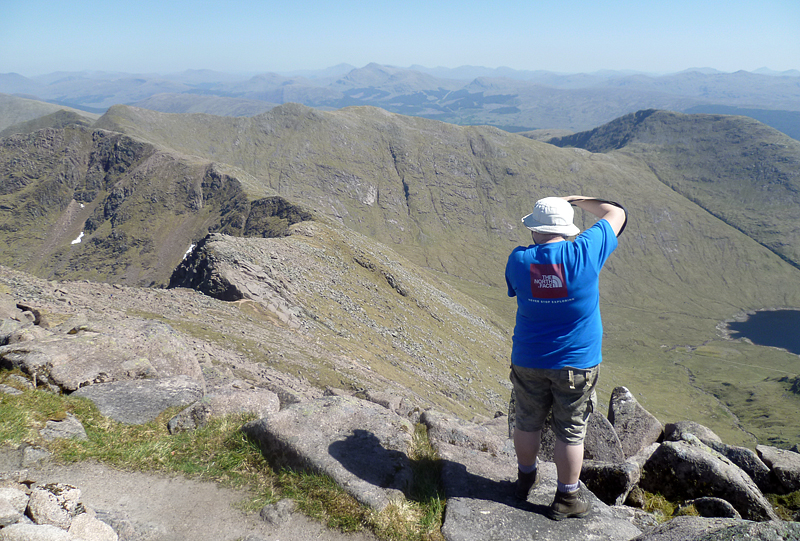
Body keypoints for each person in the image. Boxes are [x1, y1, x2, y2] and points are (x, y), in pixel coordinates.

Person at [504, 195, 627, 520]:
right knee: (571, 430)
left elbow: (518, 290)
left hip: (529, 358)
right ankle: (566, 498)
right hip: (577, 362)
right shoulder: (585, 252)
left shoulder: (518, 261)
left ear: (535, 229)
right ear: (566, 228)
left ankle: (524, 479)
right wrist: (578, 200)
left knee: (527, 421)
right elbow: (617, 213)